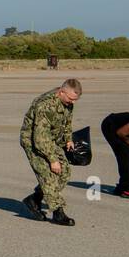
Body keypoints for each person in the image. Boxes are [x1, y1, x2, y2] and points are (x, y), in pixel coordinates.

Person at [20, 78, 81, 226]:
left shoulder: (67, 103)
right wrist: (53, 160)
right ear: (61, 92)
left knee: (64, 172)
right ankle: (58, 213)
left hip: (51, 141)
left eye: (76, 100)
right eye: (71, 99)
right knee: (49, 176)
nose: (73, 103)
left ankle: (34, 199)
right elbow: (40, 138)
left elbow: (67, 122)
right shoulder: (45, 106)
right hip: (34, 143)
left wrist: (68, 139)